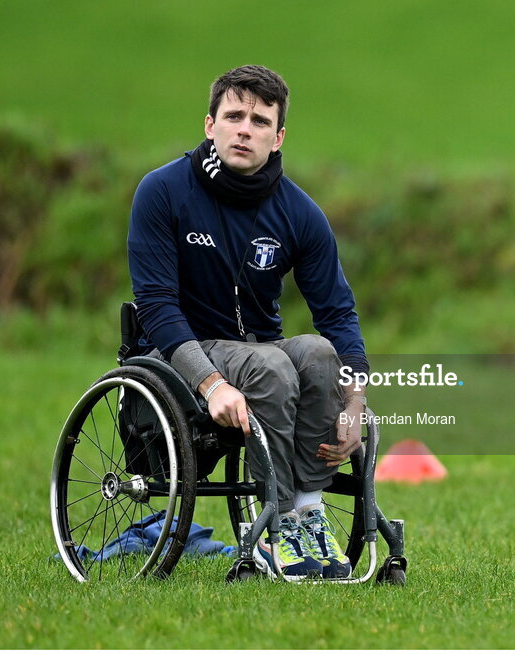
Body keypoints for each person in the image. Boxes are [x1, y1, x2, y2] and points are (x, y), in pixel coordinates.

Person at [127, 65, 368, 579]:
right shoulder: (162, 191)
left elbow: (338, 313)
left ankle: (307, 513)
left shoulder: (300, 212)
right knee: (272, 367)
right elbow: (156, 305)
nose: (244, 129)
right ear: (209, 124)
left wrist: (354, 402)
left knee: (319, 354)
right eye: (233, 116)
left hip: (258, 349)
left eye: (260, 121)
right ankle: (275, 527)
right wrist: (211, 384)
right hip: (180, 353)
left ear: (278, 137)